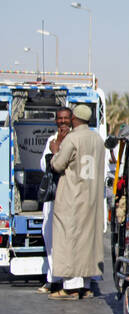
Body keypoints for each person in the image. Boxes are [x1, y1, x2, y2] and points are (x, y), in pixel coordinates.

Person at [49, 104, 106, 300]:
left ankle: (71, 288)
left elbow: (57, 165)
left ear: (75, 119)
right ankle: (86, 286)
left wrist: (56, 149)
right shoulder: (98, 139)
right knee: (87, 242)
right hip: (92, 199)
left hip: (73, 197)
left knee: (69, 239)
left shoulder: (72, 139)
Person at [38, 107, 72, 293]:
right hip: (53, 197)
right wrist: (56, 145)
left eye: (66, 118)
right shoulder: (52, 140)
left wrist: (59, 151)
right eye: (60, 119)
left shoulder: (76, 140)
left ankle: (69, 282)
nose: (63, 122)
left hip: (69, 197)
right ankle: (52, 279)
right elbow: (44, 165)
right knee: (50, 237)